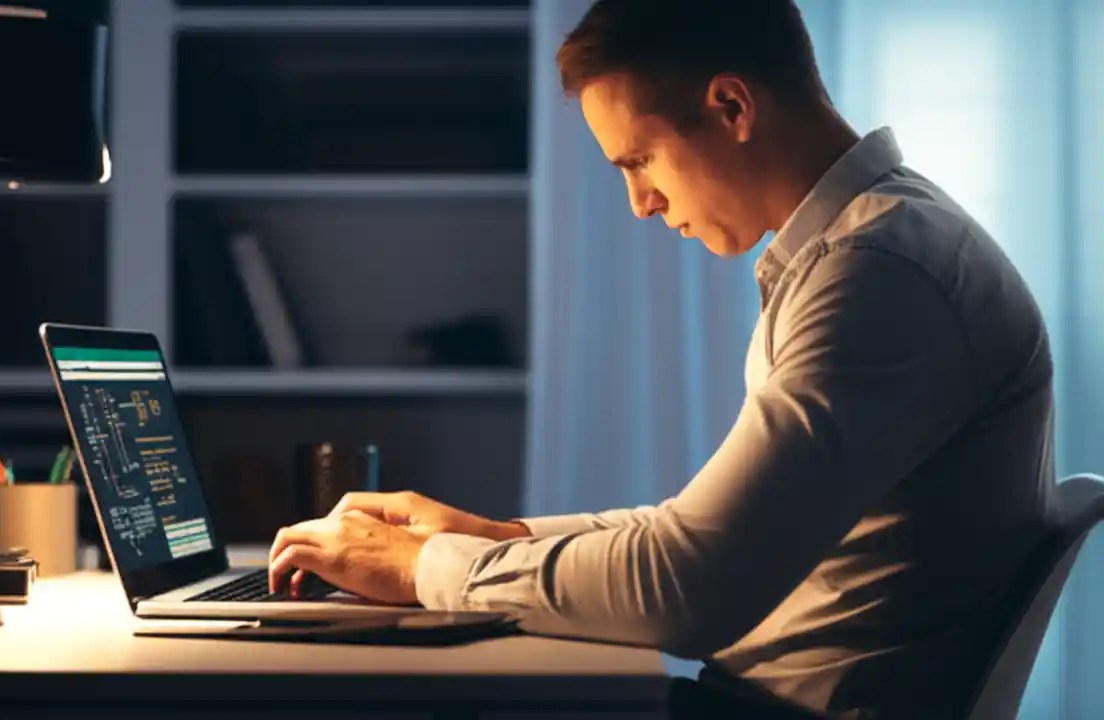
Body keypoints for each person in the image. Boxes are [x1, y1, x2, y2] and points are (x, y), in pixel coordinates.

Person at [267, 1, 1055, 716]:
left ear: (732, 106)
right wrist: (497, 536)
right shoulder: (875, 248)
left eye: (639, 162)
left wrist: (424, 569)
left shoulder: (877, 272)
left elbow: (690, 587)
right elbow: (697, 538)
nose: (640, 203)